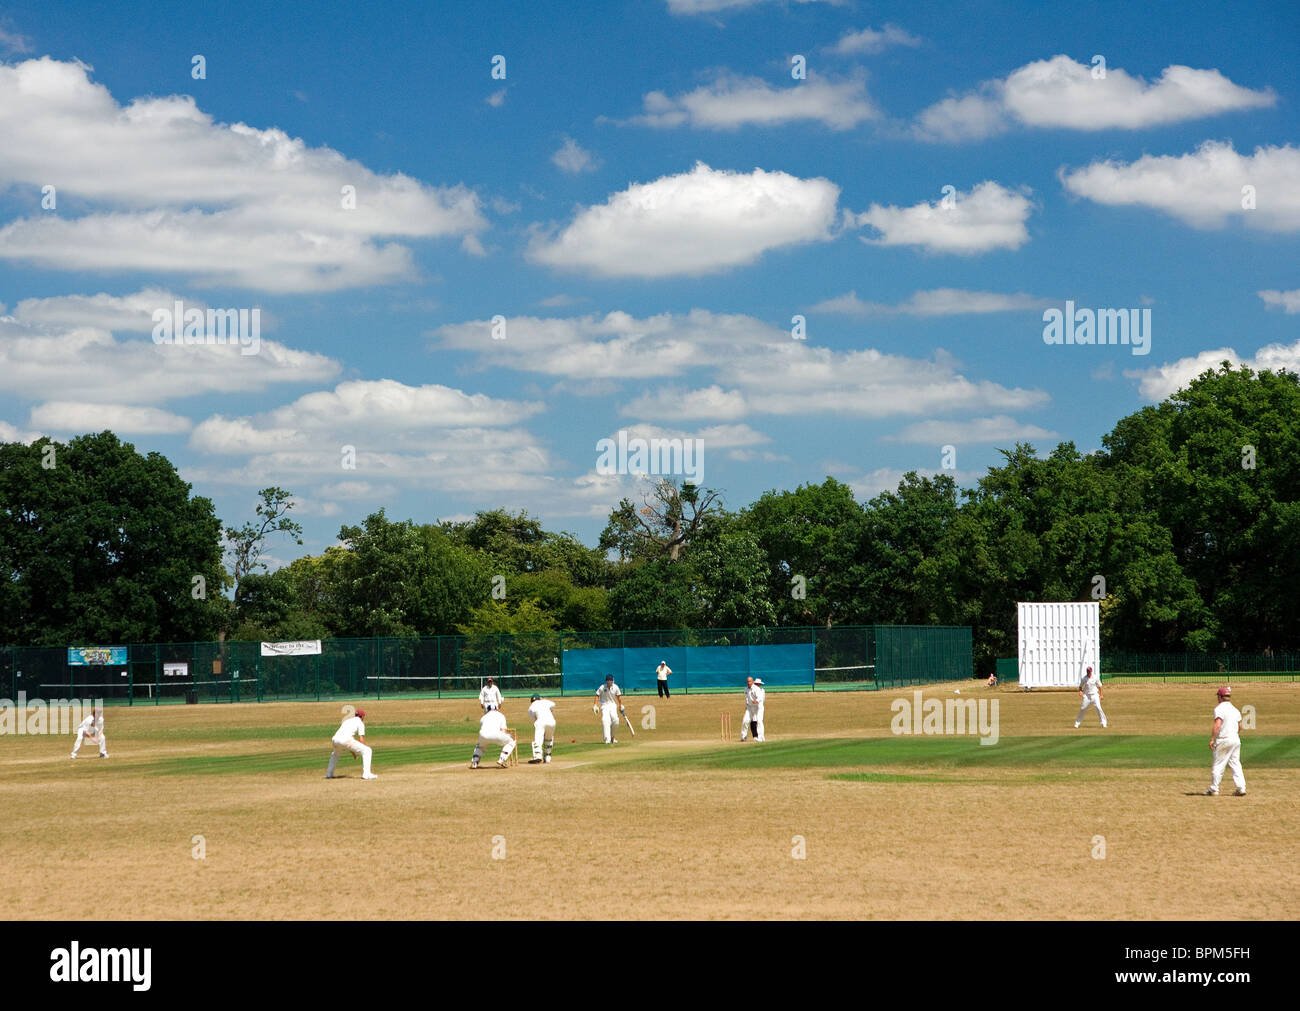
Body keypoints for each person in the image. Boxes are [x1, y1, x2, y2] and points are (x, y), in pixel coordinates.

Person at [1206, 685, 1246, 796]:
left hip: (1224, 739)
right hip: (1235, 739)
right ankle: (1241, 788)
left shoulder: (1219, 709)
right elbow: (1240, 726)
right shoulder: (1235, 710)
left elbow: (1217, 725)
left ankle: (1214, 789)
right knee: (1235, 764)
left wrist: (1212, 739)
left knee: (1218, 764)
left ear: (1220, 697)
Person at [327, 708, 377, 779]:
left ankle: (329, 774)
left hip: (335, 739)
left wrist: (354, 753)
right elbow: (361, 739)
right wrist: (362, 749)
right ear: (362, 717)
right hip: (345, 740)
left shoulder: (347, 721)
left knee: (335, 755)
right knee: (367, 751)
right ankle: (366, 774)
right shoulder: (360, 723)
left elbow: (347, 742)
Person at [526, 694, 556, 764]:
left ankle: (537, 756)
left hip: (540, 722)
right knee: (548, 739)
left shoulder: (530, 707)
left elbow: (534, 720)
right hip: (552, 722)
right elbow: (553, 704)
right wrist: (550, 709)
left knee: (538, 739)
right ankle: (547, 757)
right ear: (540, 698)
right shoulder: (545, 702)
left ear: (531, 701)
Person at [595, 674, 624, 744]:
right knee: (605, 720)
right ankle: (606, 739)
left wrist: (621, 705)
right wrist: (595, 705)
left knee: (616, 720)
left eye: (611, 681)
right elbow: (597, 695)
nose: (609, 683)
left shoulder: (616, 687)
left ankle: (612, 738)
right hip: (604, 706)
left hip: (613, 706)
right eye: (608, 681)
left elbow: (619, 697)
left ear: (613, 681)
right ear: (606, 681)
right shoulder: (602, 687)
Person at [740, 676, 764, 742]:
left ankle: (760, 737)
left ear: (753, 682)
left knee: (759, 721)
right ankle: (743, 736)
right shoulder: (746, 689)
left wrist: (756, 700)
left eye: (750, 681)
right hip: (750, 707)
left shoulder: (756, 689)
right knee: (745, 720)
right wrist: (747, 705)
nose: (749, 683)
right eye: (748, 681)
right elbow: (747, 698)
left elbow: (760, 697)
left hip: (758, 706)